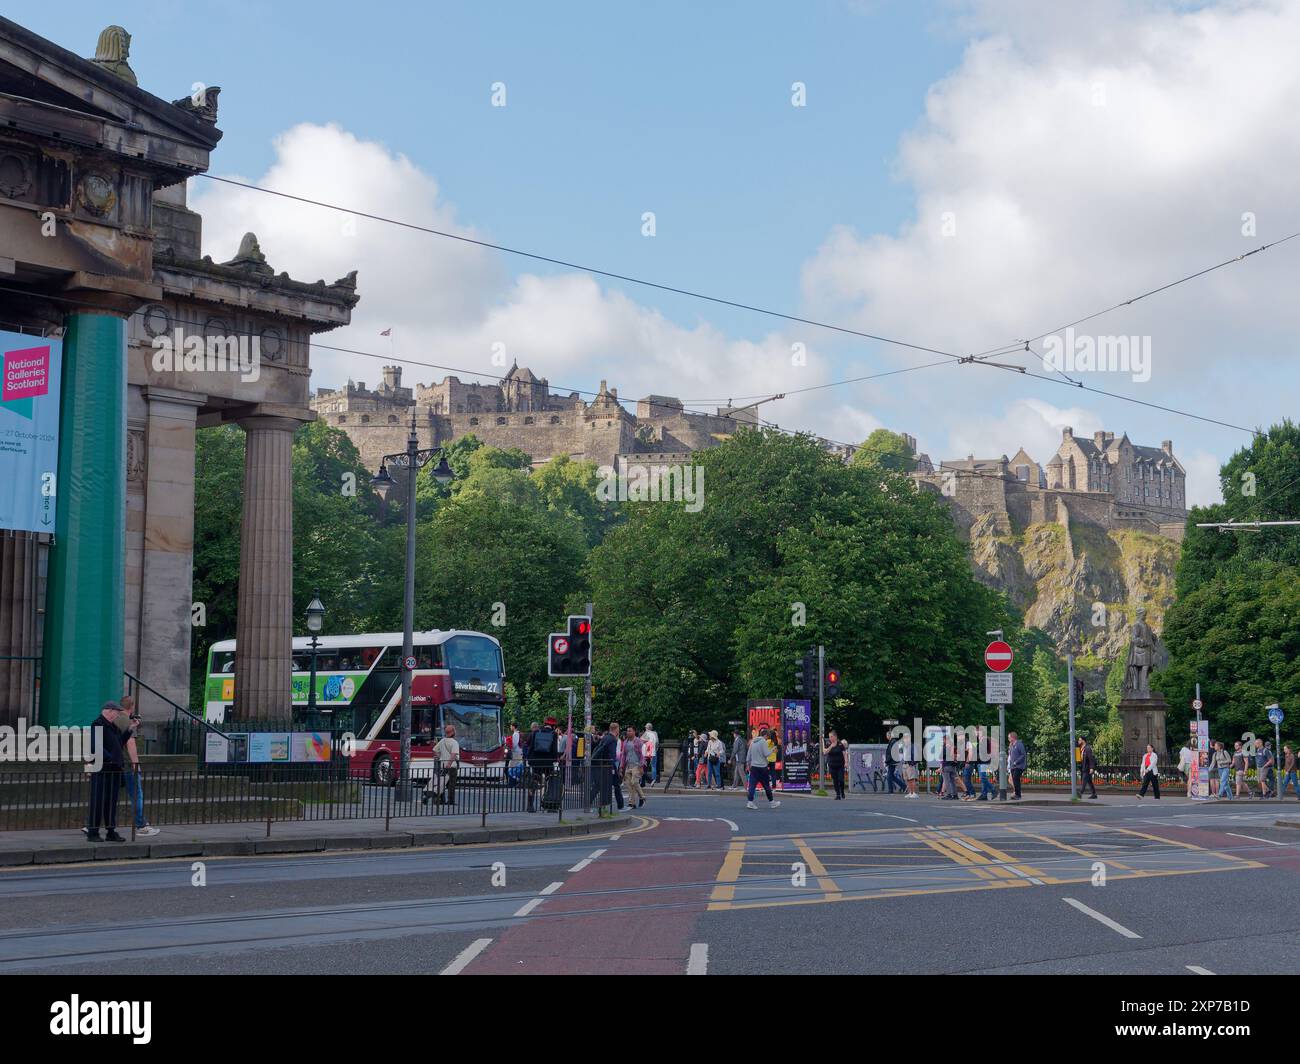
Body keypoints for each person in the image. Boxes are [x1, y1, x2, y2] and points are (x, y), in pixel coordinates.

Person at [84, 702, 129, 842]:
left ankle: (111, 831)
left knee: (111, 802)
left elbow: (119, 743)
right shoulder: (98, 724)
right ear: (108, 711)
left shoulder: (113, 726)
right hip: (102, 769)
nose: (118, 714)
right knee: (98, 801)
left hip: (114, 770)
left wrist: (130, 729)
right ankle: (93, 833)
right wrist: (111, 758)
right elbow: (95, 746)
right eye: (116, 711)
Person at [119, 697, 159, 837]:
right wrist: (136, 765)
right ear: (132, 707)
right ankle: (141, 825)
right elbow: (130, 745)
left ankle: (90, 824)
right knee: (136, 795)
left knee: (107, 795)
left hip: (115, 764)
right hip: (127, 766)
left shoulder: (115, 720)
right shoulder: (127, 722)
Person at [525, 717, 561, 812]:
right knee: (550, 783)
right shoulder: (553, 734)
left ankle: (530, 806)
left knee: (534, 782)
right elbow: (554, 750)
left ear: (544, 723)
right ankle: (550, 805)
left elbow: (531, 747)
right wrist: (555, 760)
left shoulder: (536, 732)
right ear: (553, 726)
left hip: (536, 762)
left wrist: (529, 759)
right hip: (548, 762)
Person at [423, 724, 460, 806]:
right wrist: (449, 764)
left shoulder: (442, 741)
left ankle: (441, 800)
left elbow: (434, 750)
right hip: (451, 767)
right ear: (453, 732)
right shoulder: (454, 742)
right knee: (451, 785)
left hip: (442, 765)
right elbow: (453, 755)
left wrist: (439, 756)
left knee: (441, 783)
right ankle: (450, 801)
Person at [745, 728, 781, 810]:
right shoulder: (763, 742)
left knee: (752, 785)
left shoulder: (753, 742)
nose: (767, 738)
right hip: (762, 768)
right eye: (767, 737)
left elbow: (749, 754)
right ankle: (772, 803)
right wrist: (772, 749)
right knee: (766, 786)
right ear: (765, 735)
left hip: (753, 767)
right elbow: (766, 754)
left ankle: (750, 802)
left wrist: (748, 764)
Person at [622, 725, 646, 809]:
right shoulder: (625, 742)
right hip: (628, 765)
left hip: (637, 765)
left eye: (630, 731)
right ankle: (632, 803)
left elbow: (643, 755)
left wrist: (641, 766)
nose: (628, 732)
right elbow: (623, 755)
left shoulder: (639, 741)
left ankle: (642, 797)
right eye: (627, 731)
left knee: (634, 782)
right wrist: (622, 766)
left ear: (634, 732)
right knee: (629, 785)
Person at [823, 731, 846, 800]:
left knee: (841, 780)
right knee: (835, 780)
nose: (830, 738)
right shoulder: (828, 744)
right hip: (832, 765)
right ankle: (838, 794)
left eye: (831, 736)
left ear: (835, 737)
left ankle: (842, 791)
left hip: (840, 765)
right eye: (829, 737)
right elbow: (824, 752)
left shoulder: (840, 744)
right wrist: (831, 746)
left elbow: (844, 753)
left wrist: (846, 762)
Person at [1007, 732, 1026, 800]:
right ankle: (1016, 794)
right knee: (1014, 780)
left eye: (1009, 737)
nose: (1008, 739)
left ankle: (1018, 794)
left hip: (1019, 766)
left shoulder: (1019, 744)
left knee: (1015, 779)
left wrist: (1016, 762)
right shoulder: (1012, 745)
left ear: (1013, 737)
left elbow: (1023, 755)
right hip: (1013, 766)